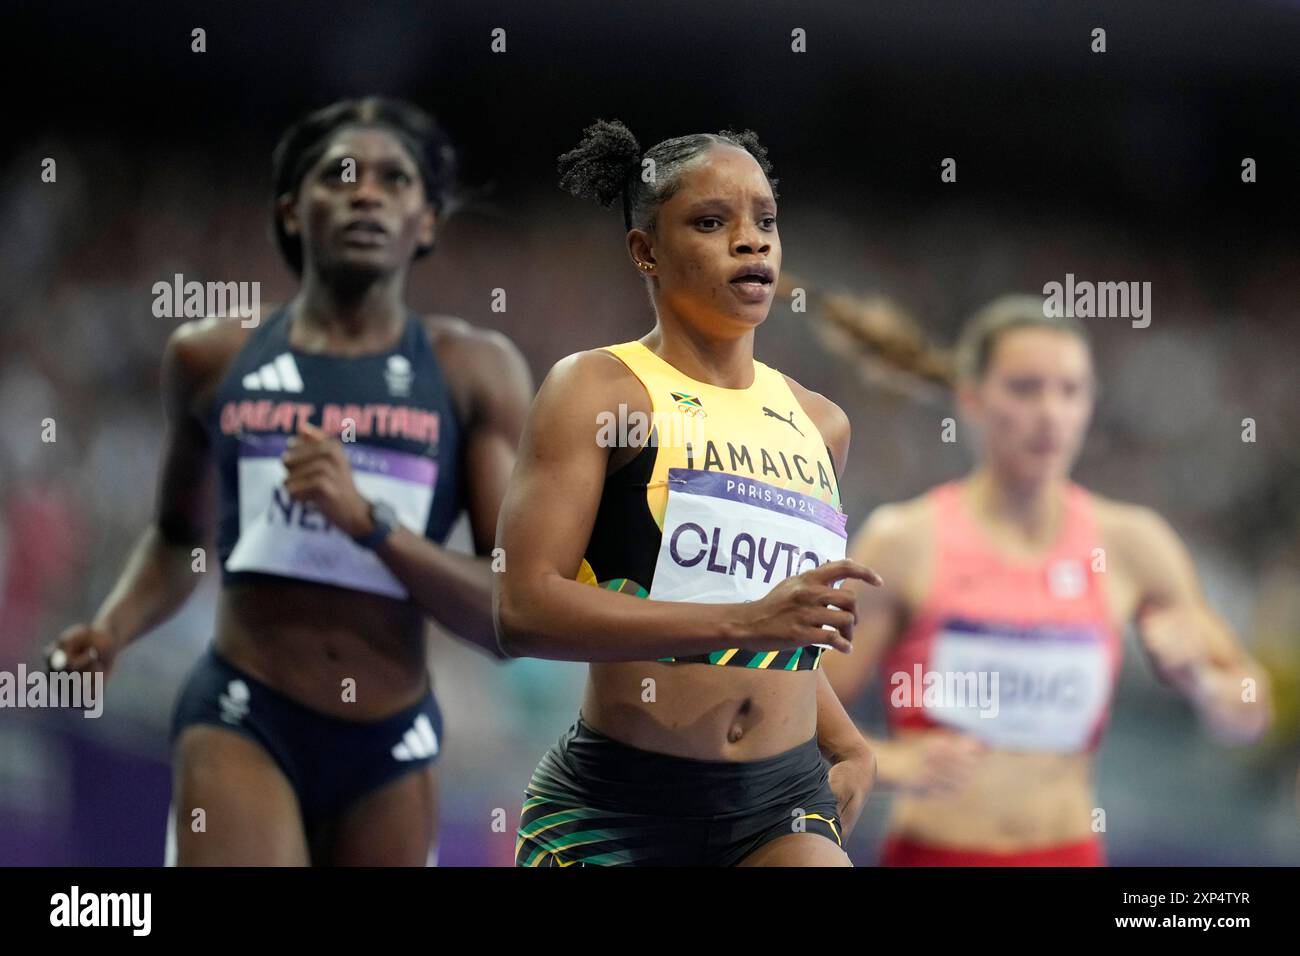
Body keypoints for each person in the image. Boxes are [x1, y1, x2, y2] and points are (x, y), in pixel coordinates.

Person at [51, 97, 533, 865]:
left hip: (393, 741)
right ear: (291, 208)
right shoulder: (210, 356)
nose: (365, 192)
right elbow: (178, 540)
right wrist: (111, 629)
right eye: (339, 176)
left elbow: (509, 615)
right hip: (246, 714)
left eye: (394, 179)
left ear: (428, 220)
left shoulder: (475, 371)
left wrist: (370, 524)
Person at [494, 119, 878, 867]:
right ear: (646, 252)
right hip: (620, 808)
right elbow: (523, 609)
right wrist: (741, 620)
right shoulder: (600, 391)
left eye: (765, 220)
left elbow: (781, 632)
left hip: (781, 805)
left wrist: (849, 742)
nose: (752, 241)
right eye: (712, 221)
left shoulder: (820, 424)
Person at [821, 294, 1272, 865]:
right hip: (933, 853)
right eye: (1025, 388)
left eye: (1070, 391)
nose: (1050, 413)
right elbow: (804, 726)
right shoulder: (904, 542)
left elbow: (1249, 715)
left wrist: (1204, 684)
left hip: (1069, 853)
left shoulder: (1133, 544)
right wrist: (887, 760)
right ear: (972, 399)